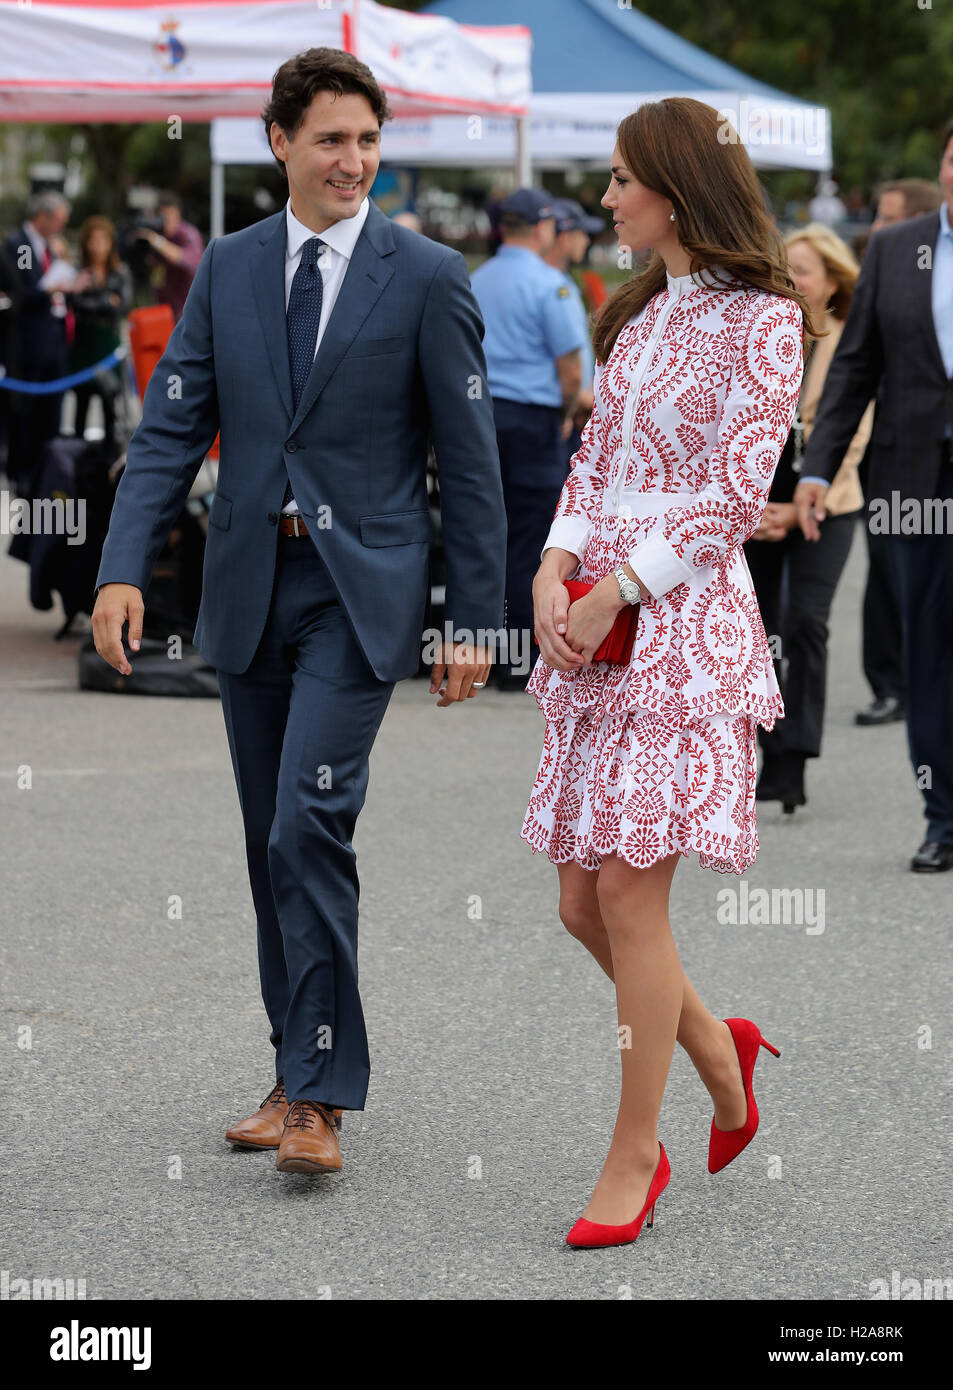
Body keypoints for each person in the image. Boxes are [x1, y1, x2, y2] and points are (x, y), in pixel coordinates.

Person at [91, 46, 506, 1175]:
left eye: (368, 141)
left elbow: (468, 466)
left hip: (356, 596)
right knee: (262, 844)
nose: (352, 161)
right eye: (331, 139)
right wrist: (122, 566)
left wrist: (472, 619)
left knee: (303, 827)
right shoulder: (225, 269)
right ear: (279, 142)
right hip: (246, 590)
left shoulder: (424, 275)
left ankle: (319, 1093)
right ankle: (292, 1067)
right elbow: (173, 424)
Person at [521, 97, 807, 1249]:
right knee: (579, 898)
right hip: (595, 622)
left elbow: (734, 493)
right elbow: (593, 459)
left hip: (680, 631)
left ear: (676, 186)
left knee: (630, 895)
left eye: (620, 180)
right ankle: (717, 1050)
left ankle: (637, 1154)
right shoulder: (635, 315)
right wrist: (551, 565)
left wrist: (613, 586)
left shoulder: (765, 320)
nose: (603, 199)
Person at [796, 118, 953, 873]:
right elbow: (854, 369)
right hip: (913, 482)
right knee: (928, 649)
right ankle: (942, 818)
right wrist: (816, 470)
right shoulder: (894, 249)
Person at [744, 224, 873, 813]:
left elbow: (854, 439)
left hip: (828, 505)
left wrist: (800, 510)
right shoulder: (762, 335)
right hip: (757, 508)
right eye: (784, 268)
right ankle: (762, 759)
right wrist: (748, 509)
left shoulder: (852, 343)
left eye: (803, 271)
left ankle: (793, 760)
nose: (791, 280)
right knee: (757, 629)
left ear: (831, 283)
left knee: (804, 622)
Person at [470, 188, 585, 689]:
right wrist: (566, 413)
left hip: (477, 419)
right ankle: (519, 662)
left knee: (481, 535)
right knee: (533, 539)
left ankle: (475, 651)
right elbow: (571, 370)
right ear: (542, 228)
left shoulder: (473, 279)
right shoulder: (551, 284)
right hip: (535, 422)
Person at [854, 178, 943, 728]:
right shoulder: (881, 269)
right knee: (885, 573)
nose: (876, 231)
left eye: (887, 220)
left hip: (935, 446)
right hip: (891, 449)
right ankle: (889, 682)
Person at [3, 191, 72, 497]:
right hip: (27, 342)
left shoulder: (47, 247)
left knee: (50, 412)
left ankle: (46, 471)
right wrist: (50, 289)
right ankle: (22, 472)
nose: (59, 227)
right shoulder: (19, 245)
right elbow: (23, 292)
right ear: (43, 216)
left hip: (52, 339)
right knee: (25, 412)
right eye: (57, 220)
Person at [543, 197, 605, 468]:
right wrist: (586, 400)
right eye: (582, 233)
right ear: (565, 237)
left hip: (572, 411)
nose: (587, 241)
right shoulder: (548, 286)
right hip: (561, 416)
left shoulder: (563, 281)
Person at [65, 216, 133, 448]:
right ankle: (75, 462)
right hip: (84, 343)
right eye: (93, 241)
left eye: (102, 240)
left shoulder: (120, 272)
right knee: (81, 406)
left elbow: (123, 305)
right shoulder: (78, 271)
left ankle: (108, 464)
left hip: (108, 344)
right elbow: (73, 301)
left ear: (110, 243)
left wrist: (93, 300)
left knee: (109, 407)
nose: (97, 246)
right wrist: (106, 301)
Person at [136, 191, 204, 325]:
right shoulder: (159, 236)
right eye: (161, 216)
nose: (165, 221)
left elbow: (187, 261)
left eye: (168, 216)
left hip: (188, 314)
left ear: (177, 213)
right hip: (165, 314)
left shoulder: (188, 234)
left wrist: (156, 241)